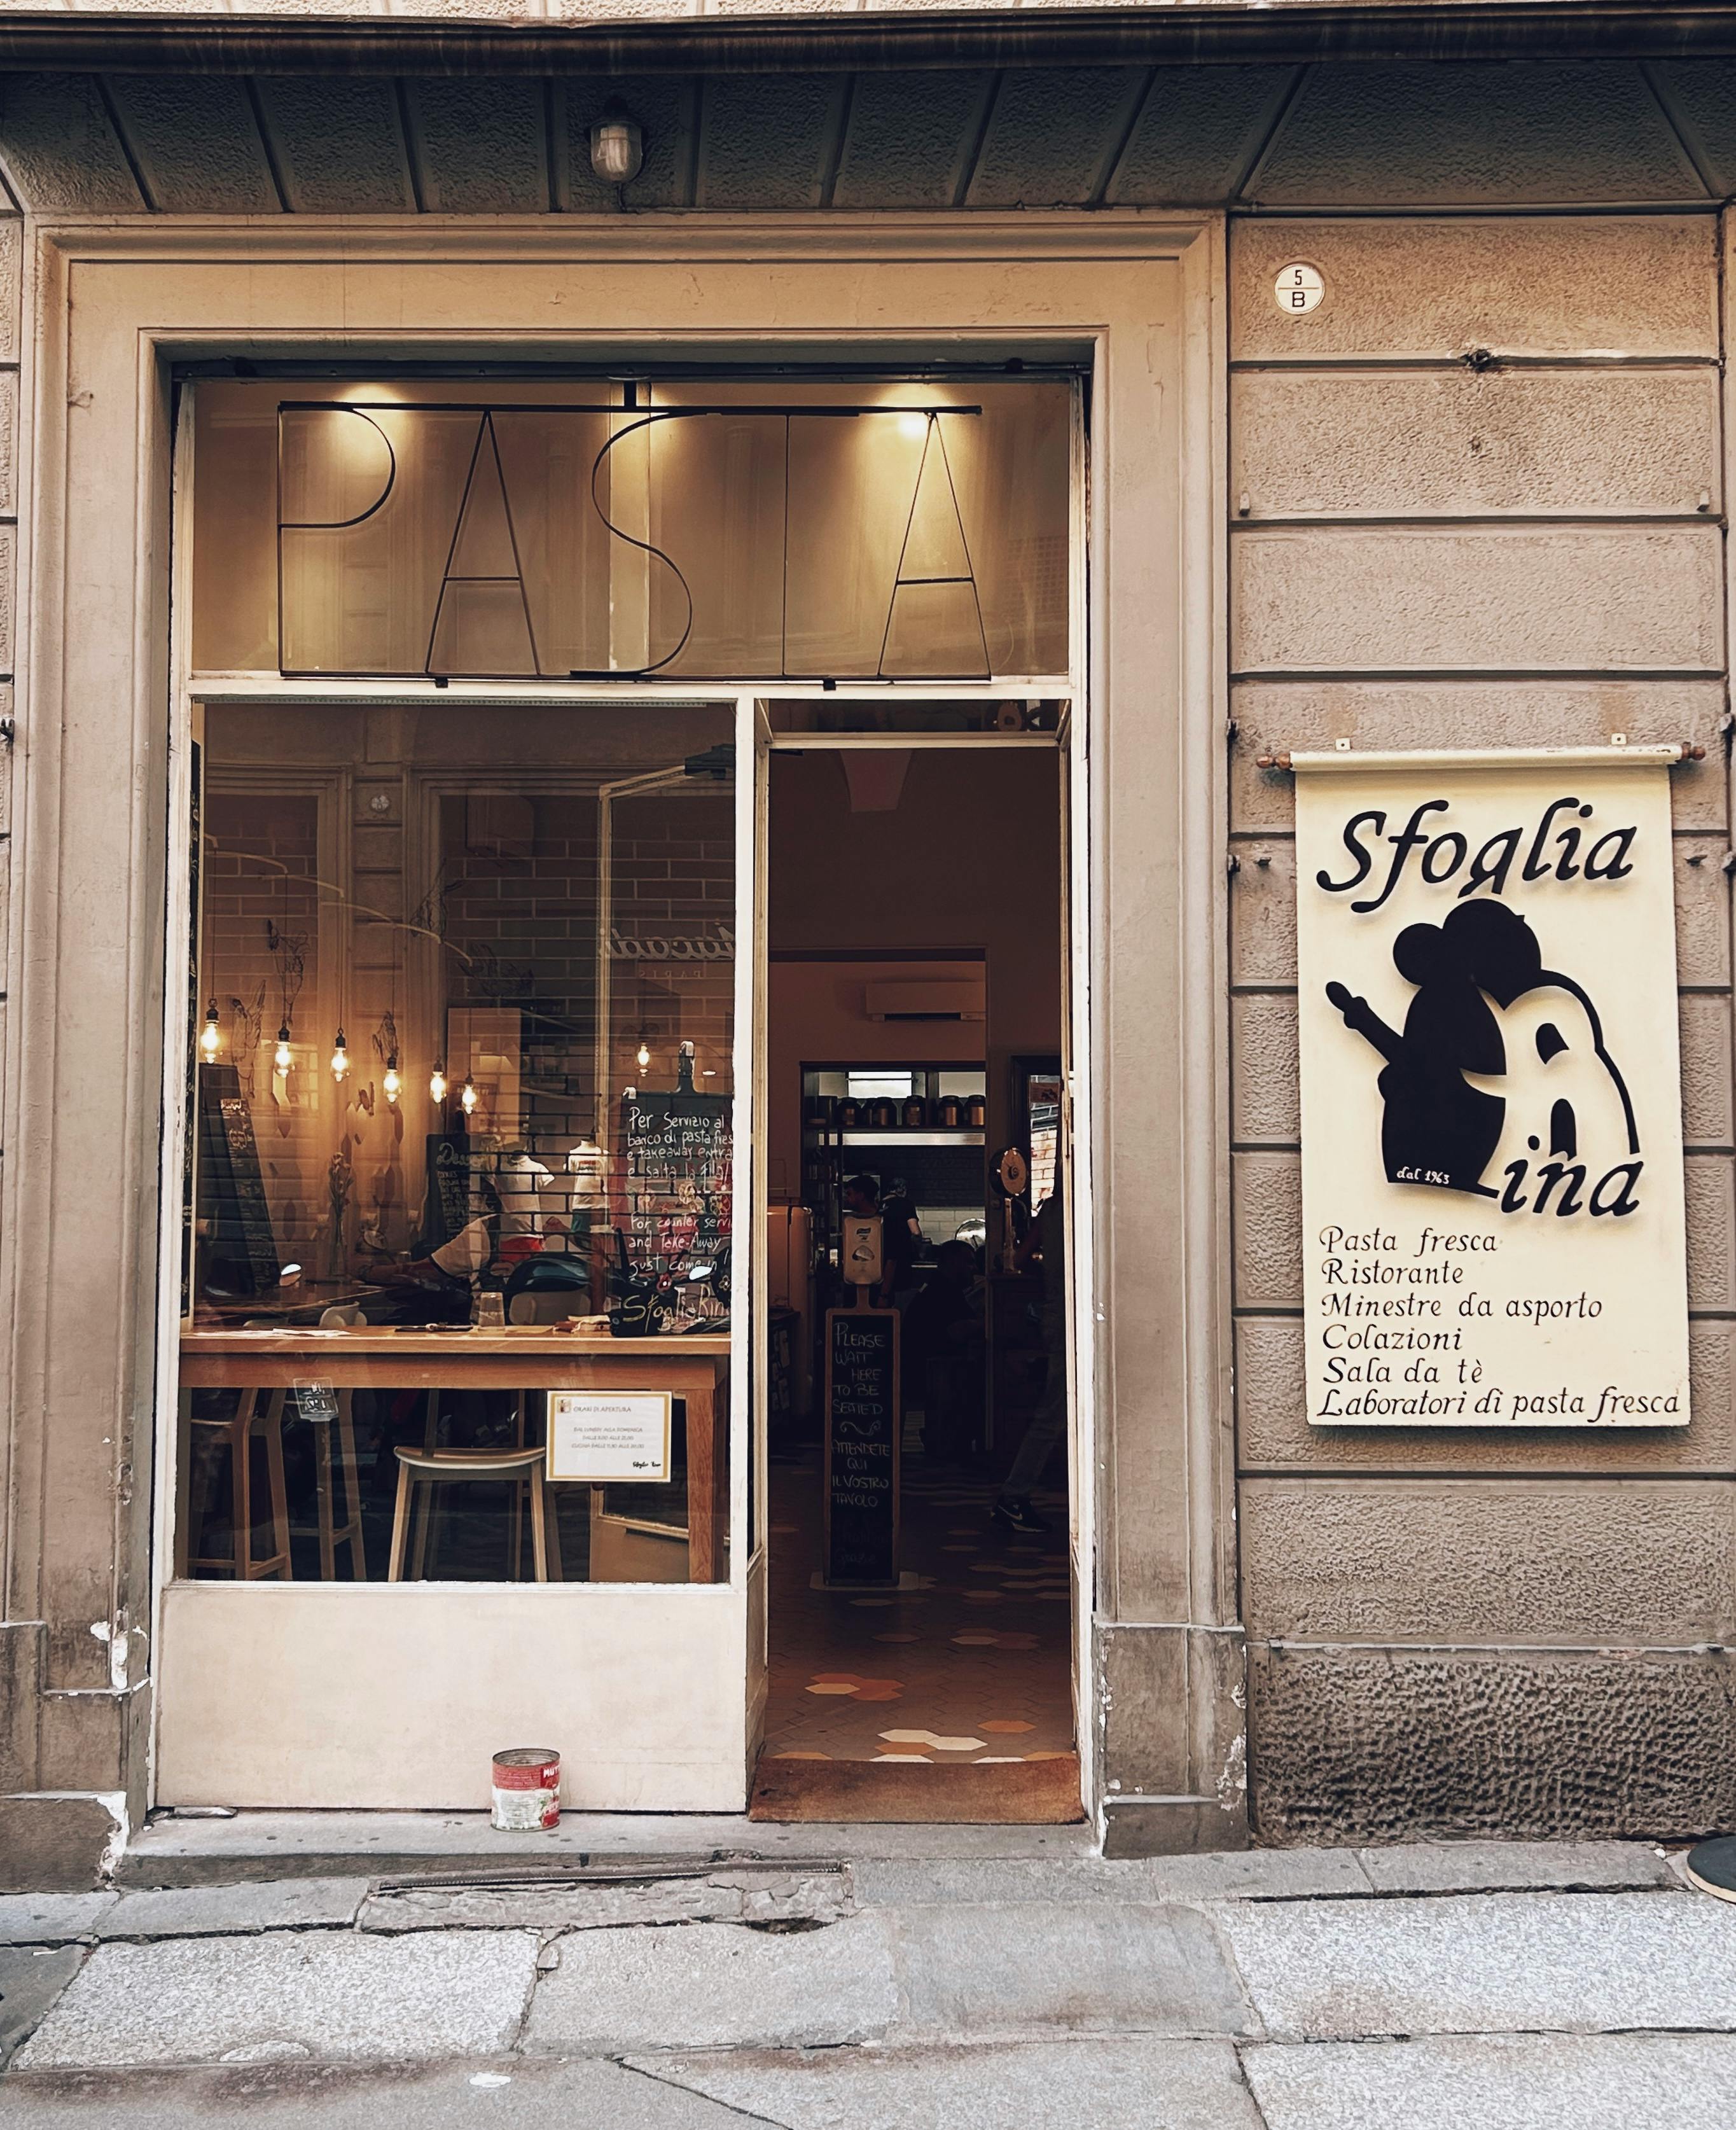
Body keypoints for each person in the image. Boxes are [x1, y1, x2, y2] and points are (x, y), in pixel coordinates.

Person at [995, 1174, 1066, 1534]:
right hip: (1074, 1318)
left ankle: (1014, 1495)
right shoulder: (1087, 1206)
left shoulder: (1050, 1211)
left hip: (1054, 1315)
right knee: (1054, 1414)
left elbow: (1020, 1258)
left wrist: (1049, 1266)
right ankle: (1014, 1495)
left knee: (1053, 1413)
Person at [902, 1240, 985, 1465]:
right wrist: (985, 1325)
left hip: (925, 1365)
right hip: (927, 1370)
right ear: (953, 1263)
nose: (974, 1269)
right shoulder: (942, 1293)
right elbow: (956, 1332)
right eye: (969, 1263)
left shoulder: (939, 1288)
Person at [842, 1173, 917, 1305]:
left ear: (861, 1195)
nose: (846, 1199)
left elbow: (891, 1259)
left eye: (850, 1194)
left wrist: (884, 1294)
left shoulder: (882, 1223)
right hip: (856, 1284)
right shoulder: (853, 1222)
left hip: (878, 1288)